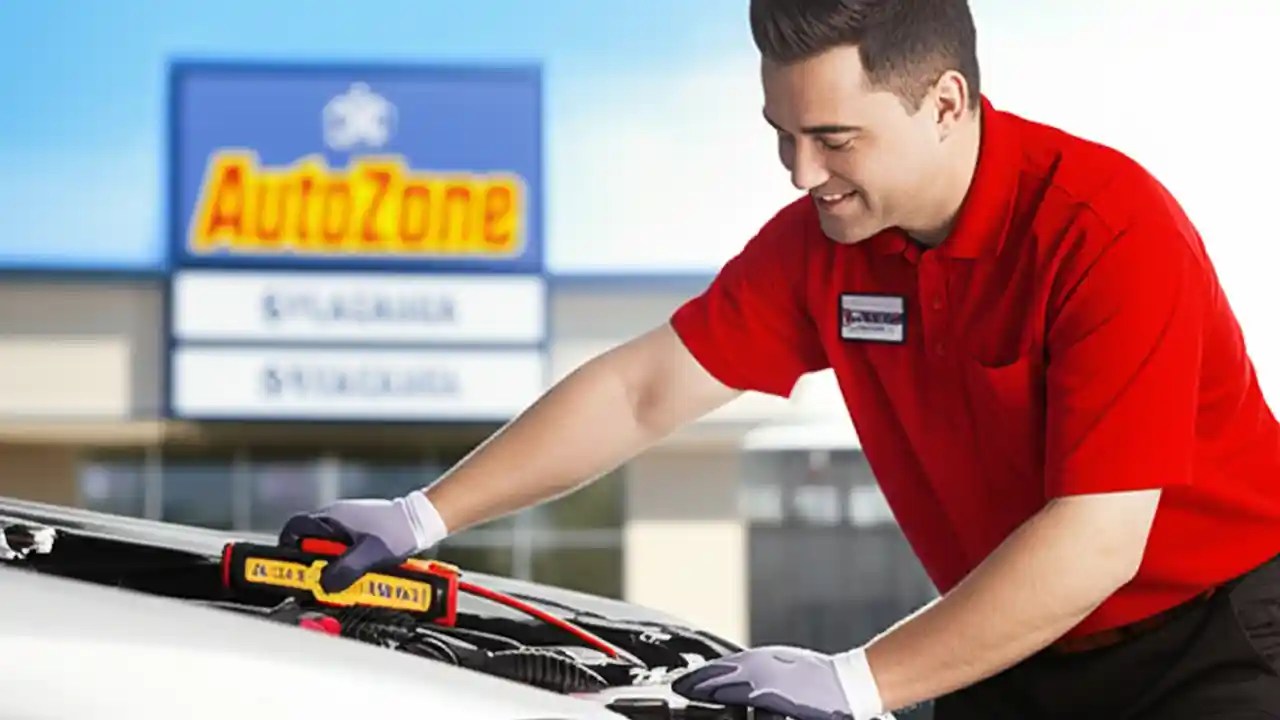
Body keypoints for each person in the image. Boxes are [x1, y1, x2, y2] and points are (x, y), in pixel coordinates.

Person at [279, 0, 1280, 717]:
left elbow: (1095, 543)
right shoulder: (823, 245)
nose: (801, 173)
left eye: (832, 138)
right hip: (1007, 652)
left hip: (1214, 642)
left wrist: (859, 680)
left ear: (943, 102)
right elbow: (641, 391)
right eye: (782, 134)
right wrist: (426, 512)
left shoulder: (1102, 230)